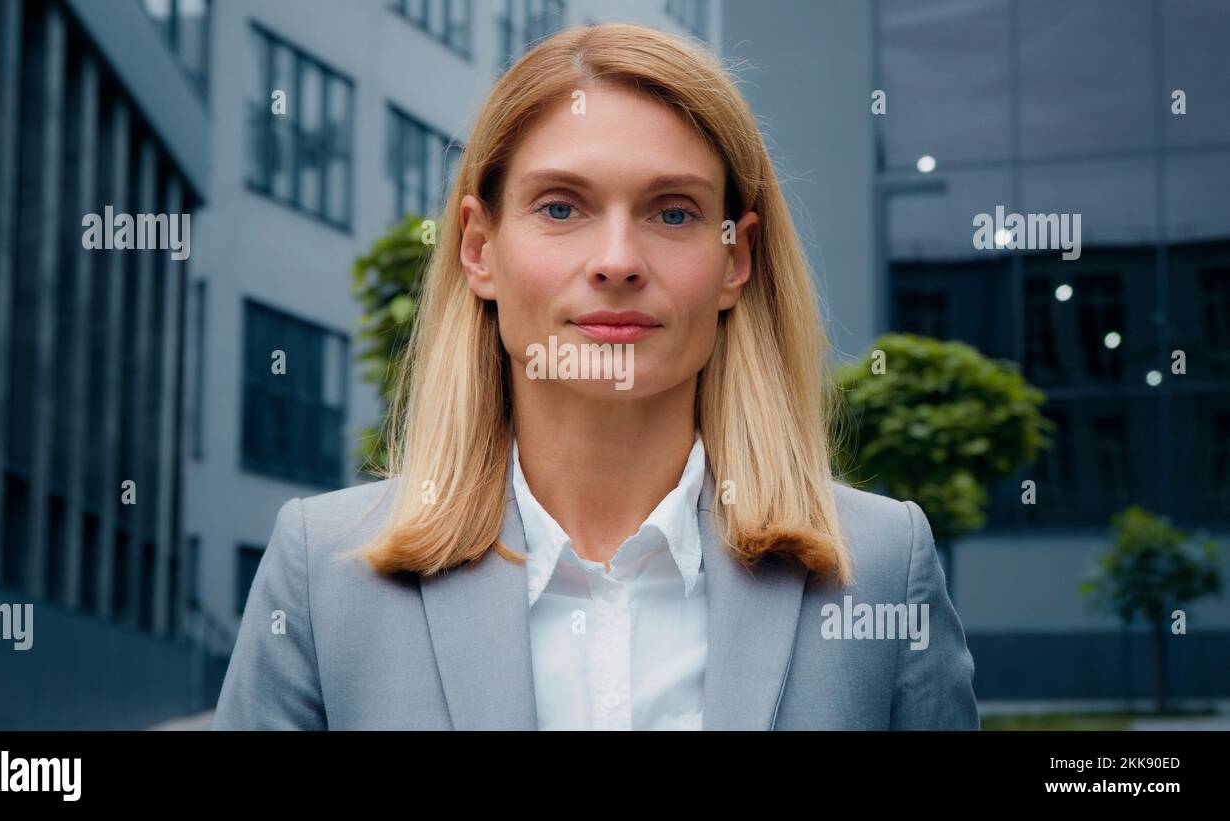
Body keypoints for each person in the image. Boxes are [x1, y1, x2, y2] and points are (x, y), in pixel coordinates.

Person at [211, 21, 979, 731]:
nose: (617, 260)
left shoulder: (879, 566)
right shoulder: (323, 574)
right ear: (479, 248)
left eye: (673, 213)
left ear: (735, 259)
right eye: (560, 207)